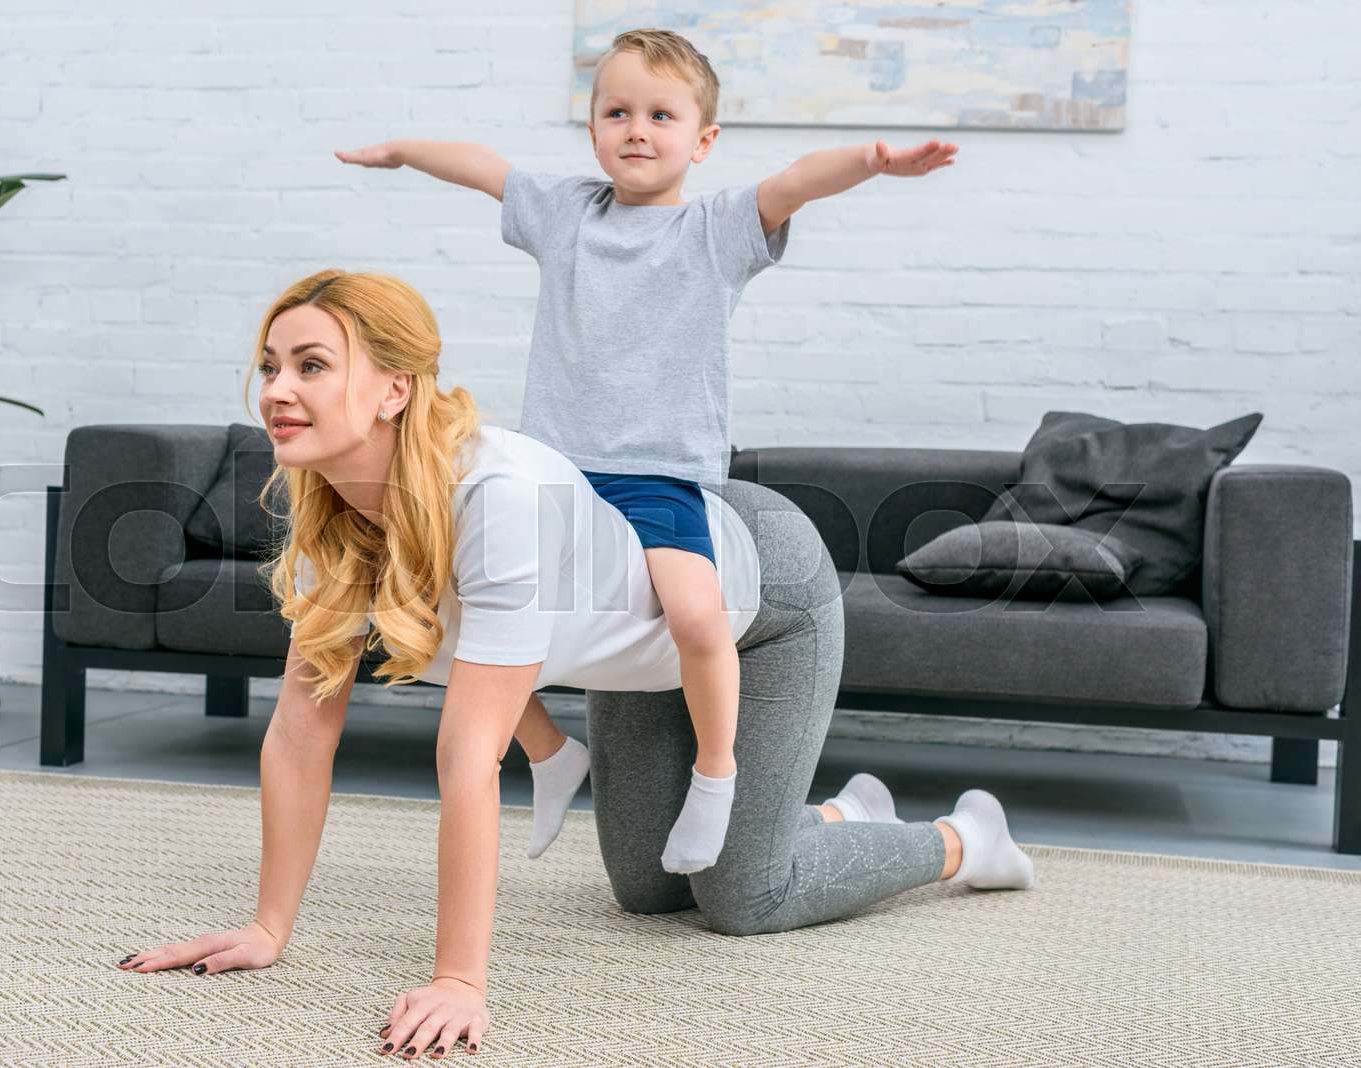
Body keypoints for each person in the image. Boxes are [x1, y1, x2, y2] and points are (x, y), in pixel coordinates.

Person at [116, 270, 1034, 1061]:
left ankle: (964, 841)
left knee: (743, 898)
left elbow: (470, 761)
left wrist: (458, 980)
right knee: (646, 892)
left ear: (395, 389)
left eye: (312, 365)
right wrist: (268, 928)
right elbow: (302, 727)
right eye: (271, 365)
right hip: (639, 655)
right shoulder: (330, 512)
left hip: (763, 595)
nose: (278, 388)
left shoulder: (504, 495)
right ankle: (836, 814)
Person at [336, 28, 959, 874]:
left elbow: (792, 185)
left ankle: (716, 773)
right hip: (553, 477)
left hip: (657, 477)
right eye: (616, 111)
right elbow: (483, 167)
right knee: (446, 611)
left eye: (661, 115)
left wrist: (874, 160)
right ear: (593, 129)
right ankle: (553, 754)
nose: (636, 129)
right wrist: (404, 151)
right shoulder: (565, 214)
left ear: (701, 141)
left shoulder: (717, 230)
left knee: (698, 617)